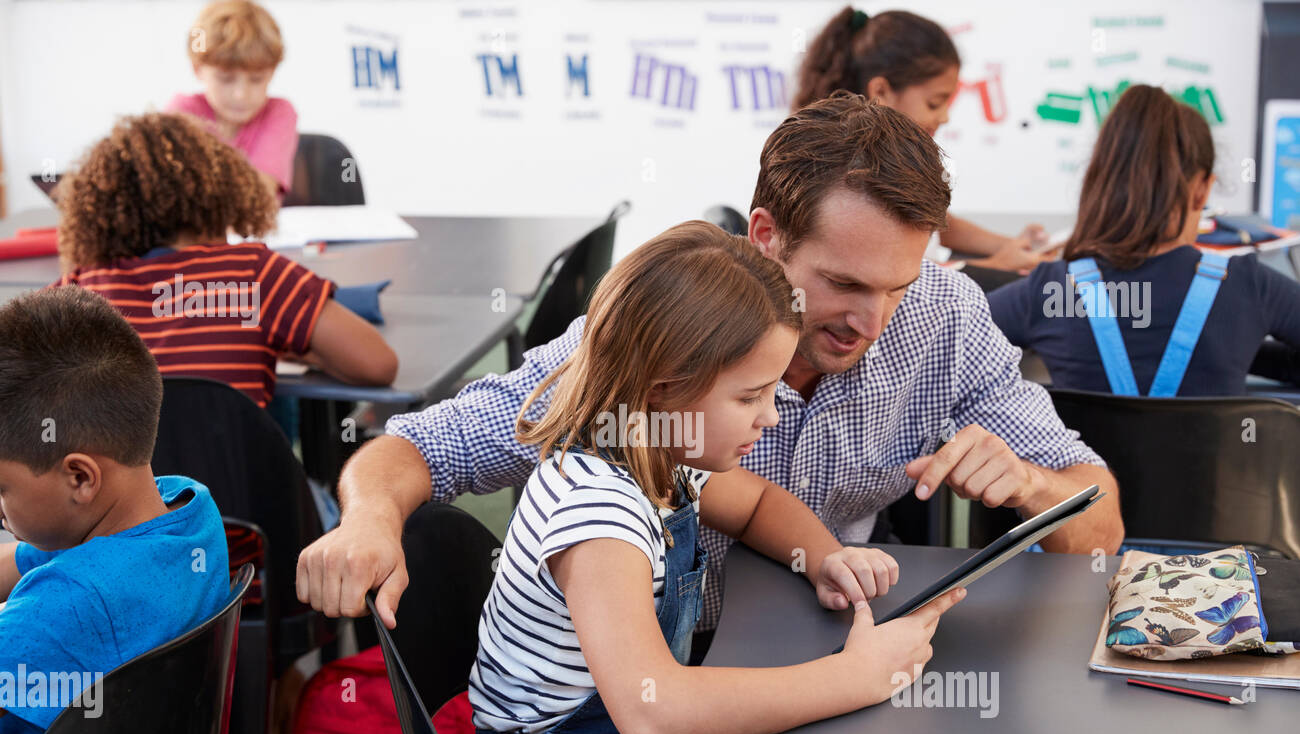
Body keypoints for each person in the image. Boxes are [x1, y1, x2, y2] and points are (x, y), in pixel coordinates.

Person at [296, 92, 1123, 659]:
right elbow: (417, 445)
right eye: (844, 284)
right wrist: (367, 518)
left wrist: (1029, 486)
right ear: (765, 236)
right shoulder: (668, 335)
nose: (872, 322)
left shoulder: (944, 319)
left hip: (821, 640)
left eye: (896, 288)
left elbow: (1100, 526)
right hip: (659, 666)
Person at [471, 220, 966, 734]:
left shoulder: (661, 453)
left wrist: (824, 557)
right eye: (751, 395)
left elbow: (760, 504)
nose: (771, 414)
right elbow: (656, 715)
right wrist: (855, 678)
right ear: (663, 389)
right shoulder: (597, 516)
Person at [0, 286, 232, 734]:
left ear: (80, 477)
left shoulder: (64, 609)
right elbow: (27, 562)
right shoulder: (186, 514)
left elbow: (50, 610)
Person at [53, 112, 397, 410]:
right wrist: (302, 350)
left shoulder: (77, 294)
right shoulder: (254, 274)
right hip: (236, 487)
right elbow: (379, 366)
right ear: (222, 192)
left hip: (119, 488)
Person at [988, 84, 1300, 396]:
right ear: (1201, 190)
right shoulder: (1250, 287)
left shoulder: (1050, 293)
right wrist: (1241, 346)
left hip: (1084, 447)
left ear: (1100, 181)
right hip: (1215, 447)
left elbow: (949, 343)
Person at [793, 6, 1048, 277]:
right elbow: (896, 281)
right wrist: (997, 266)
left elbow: (935, 224)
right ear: (881, 91)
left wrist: (1010, 246)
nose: (945, 117)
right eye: (934, 103)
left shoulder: (892, 158)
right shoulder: (851, 174)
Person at [168, 0, 298, 200]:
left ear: (272, 73)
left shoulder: (279, 113)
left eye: (256, 79)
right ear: (197, 69)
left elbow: (259, 198)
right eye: (225, 79)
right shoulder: (181, 113)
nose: (241, 94)